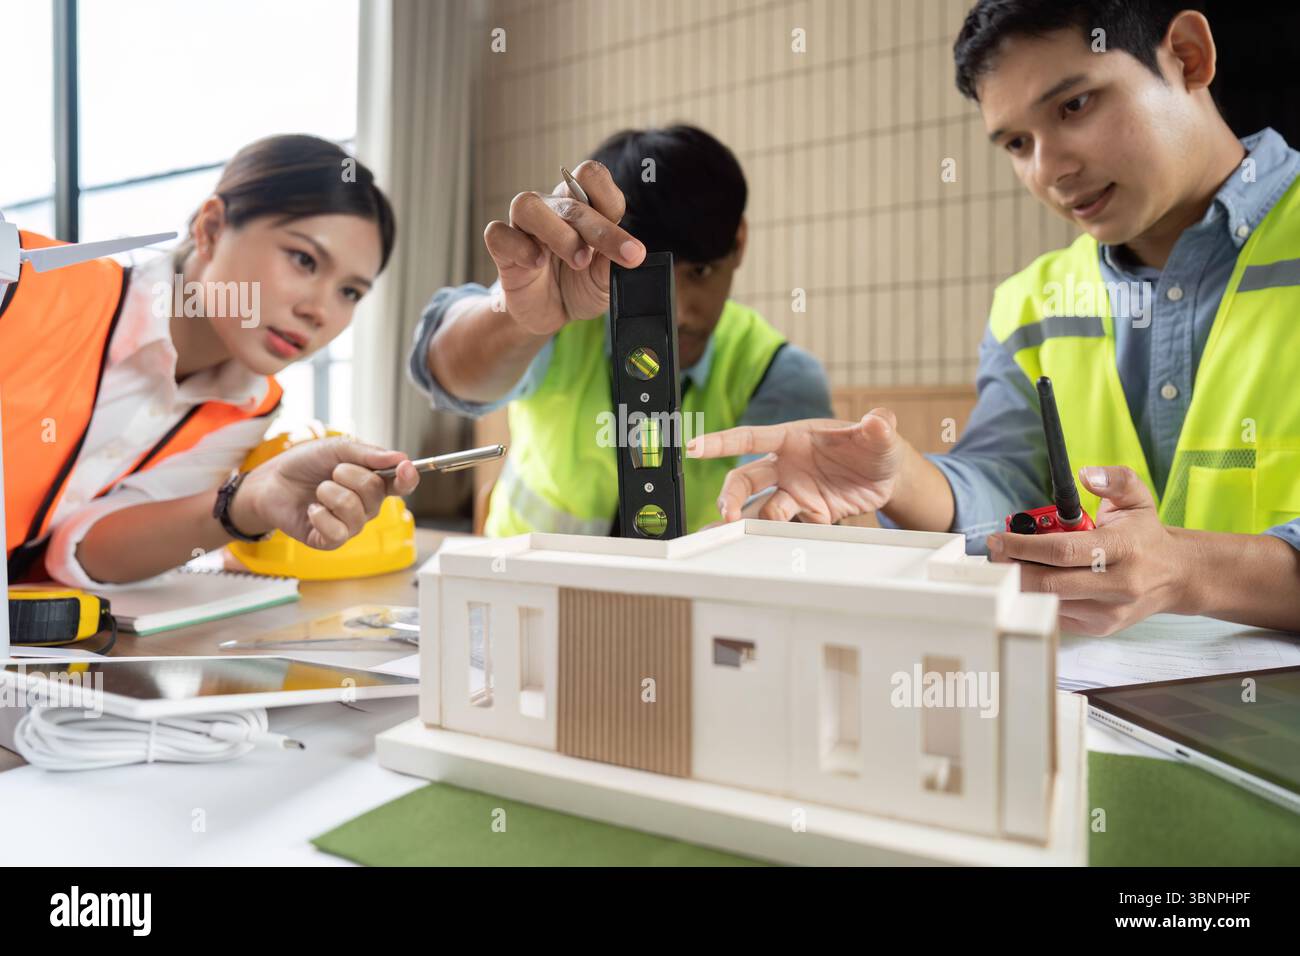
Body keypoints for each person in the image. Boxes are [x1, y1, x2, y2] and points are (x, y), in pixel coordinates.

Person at [688, 1, 1300, 636]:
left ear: (1188, 57)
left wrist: (1186, 569)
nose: (1048, 170)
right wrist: (899, 476)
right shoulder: (1031, 304)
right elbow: (1012, 489)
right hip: (1086, 723)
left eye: (1075, 106)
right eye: (1016, 142)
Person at [2, 134, 419, 586]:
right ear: (213, 228)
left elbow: (84, 549)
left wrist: (249, 501)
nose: (319, 310)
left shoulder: (251, 406)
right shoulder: (23, 277)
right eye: (303, 259)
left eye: (349, 292)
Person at [407, 125, 833, 536]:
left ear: (738, 242)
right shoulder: (559, 299)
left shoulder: (775, 373)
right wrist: (520, 321)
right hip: (521, 596)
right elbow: (442, 372)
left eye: (701, 271)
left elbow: (783, 523)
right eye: (647, 278)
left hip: (684, 607)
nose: (679, 312)